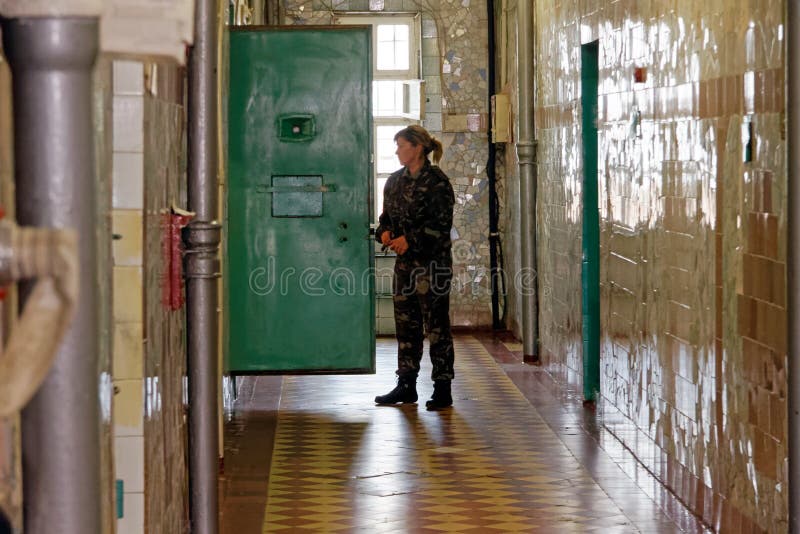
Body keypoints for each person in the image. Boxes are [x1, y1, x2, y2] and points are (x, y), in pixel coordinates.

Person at [374, 125, 455, 410]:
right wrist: (384, 233)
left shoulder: (437, 182)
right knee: (406, 327)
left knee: (436, 327)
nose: (397, 151)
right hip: (405, 269)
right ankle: (406, 385)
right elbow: (386, 219)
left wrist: (410, 240)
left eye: (401, 145)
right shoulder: (394, 182)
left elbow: (441, 227)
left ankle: (442, 388)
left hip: (433, 267)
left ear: (417, 147)